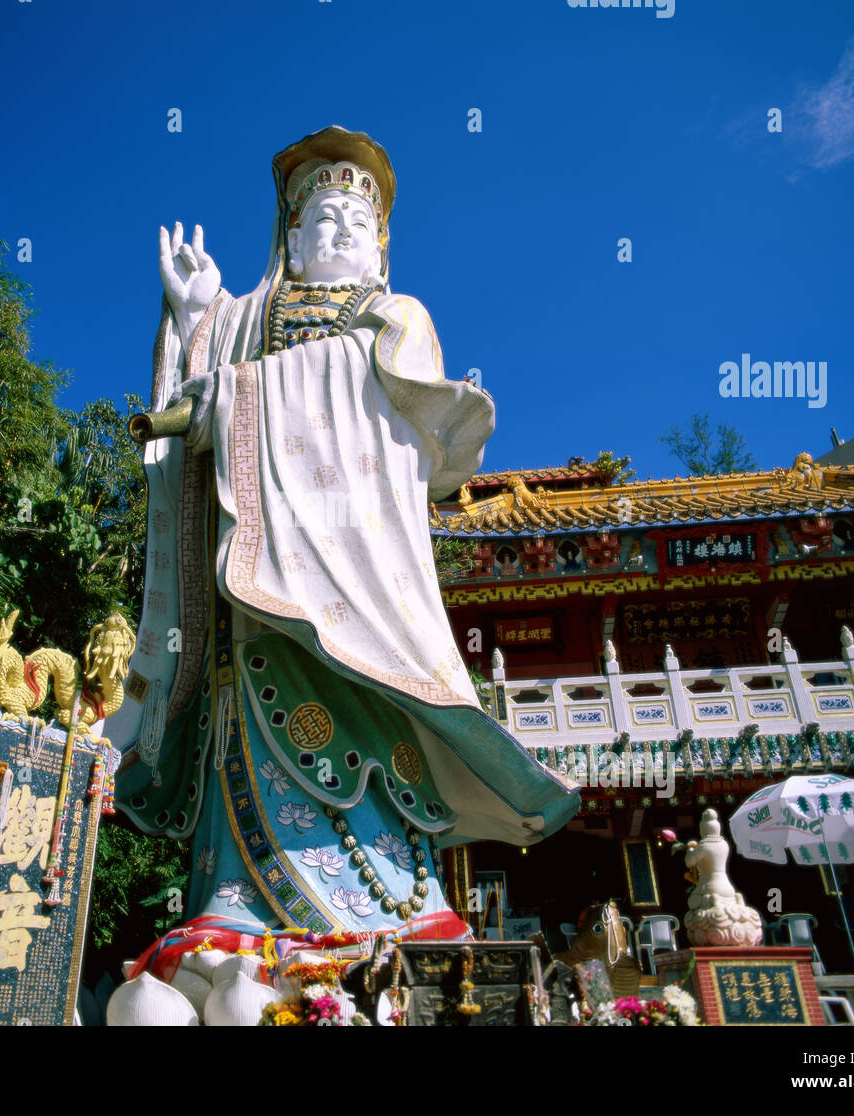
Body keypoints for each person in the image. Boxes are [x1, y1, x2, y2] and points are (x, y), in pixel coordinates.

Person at [102, 127, 578, 938]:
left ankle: (401, 904)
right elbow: (191, 408)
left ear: (380, 252)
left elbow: (410, 408)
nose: (337, 234)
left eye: (354, 226)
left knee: (367, 701)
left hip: (358, 570)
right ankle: (237, 903)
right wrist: (193, 319)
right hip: (249, 580)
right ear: (289, 239)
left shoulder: (392, 316)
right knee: (247, 705)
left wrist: (244, 397)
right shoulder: (241, 322)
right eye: (319, 222)